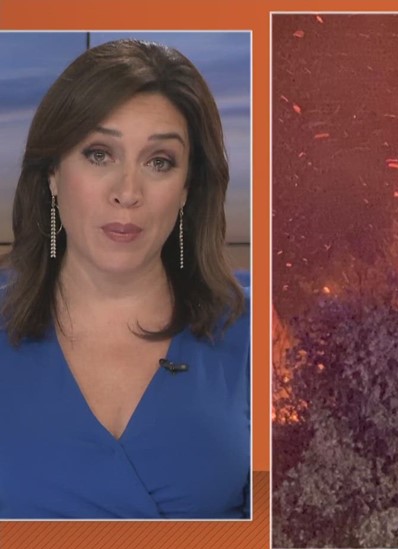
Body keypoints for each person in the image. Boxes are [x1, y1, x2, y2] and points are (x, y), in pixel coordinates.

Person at [0, 39, 250, 519]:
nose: (127, 193)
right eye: (99, 154)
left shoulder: (257, 337)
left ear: (186, 189)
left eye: (160, 162)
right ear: (53, 172)